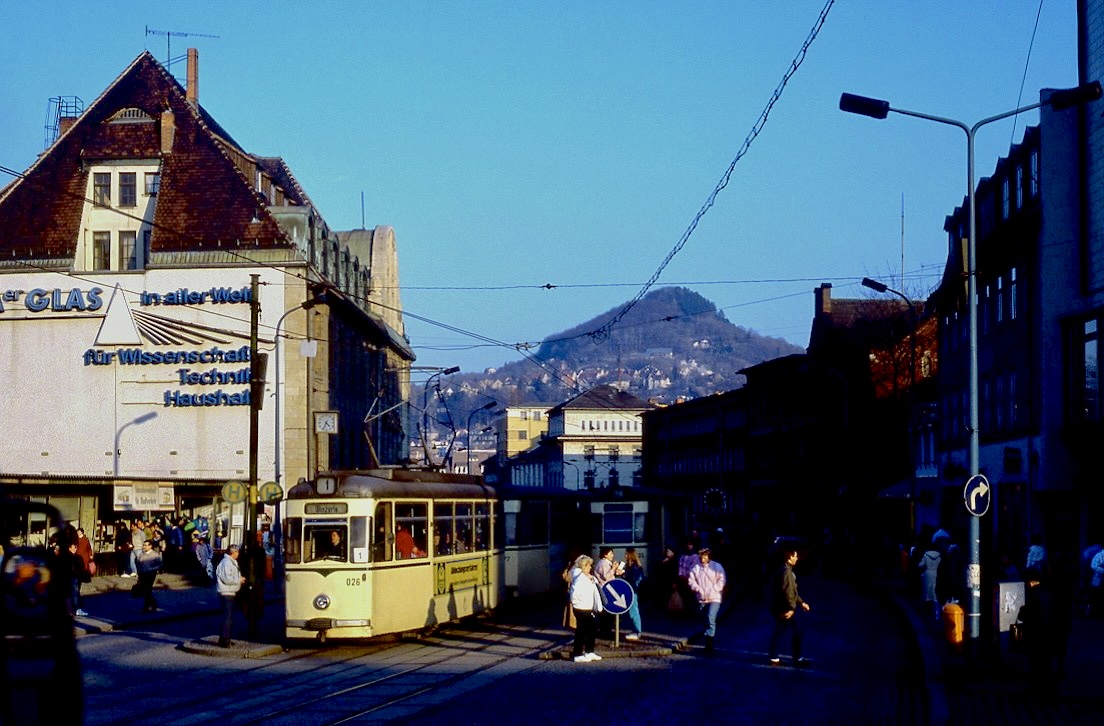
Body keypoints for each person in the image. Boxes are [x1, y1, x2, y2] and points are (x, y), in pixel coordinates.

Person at [768, 548, 811, 666]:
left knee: (780, 631)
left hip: (781, 607)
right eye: (795, 556)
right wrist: (792, 608)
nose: (797, 558)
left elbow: (792, 591)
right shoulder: (787, 572)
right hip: (785, 608)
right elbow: (788, 592)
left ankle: (774, 657)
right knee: (796, 631)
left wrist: (801, 602)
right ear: (789, 558)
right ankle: (796, 658)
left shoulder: (785, 570)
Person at [687, 547, 726, 652]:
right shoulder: (696, 568)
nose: (703, 559)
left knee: (710, 617)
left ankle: (709, 642)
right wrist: (698, 589)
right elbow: (691, 580)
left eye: (705, 557)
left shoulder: (717, 567)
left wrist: (714, 589)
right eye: (701, 557)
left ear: (709, 557)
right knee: (704, 619)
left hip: (714, 597)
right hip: (702, 598)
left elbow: (722, 580)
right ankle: (707, 635)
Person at [569, 555, 603, 663]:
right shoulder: (580, 578)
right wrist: (579, 603)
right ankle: (577, 654)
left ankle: (589, 651)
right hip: (581, 608)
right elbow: (573, 594)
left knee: (591, 630)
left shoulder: (587, 577)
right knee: (581, 631)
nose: (590, 567)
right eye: (588, 565)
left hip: (588, 608)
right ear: (584, 566)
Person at [216, 544, 246, 647]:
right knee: (227, 618)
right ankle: (225, 640)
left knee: (228, 617)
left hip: (230, 592)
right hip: (226, 593)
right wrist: (239, 580)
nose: (238, 554)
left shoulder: (231, 562)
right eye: (237, 552)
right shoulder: (226, 563)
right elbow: (227, 578)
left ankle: (225, 638)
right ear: (232, 553)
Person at [620, 548, 645, 640]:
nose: (625, 556)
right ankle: (635, 630)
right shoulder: (635, 567)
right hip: (633, 590)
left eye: (626, 554)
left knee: (633, 611)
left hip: (632, 590)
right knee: (633, 611)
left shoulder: (633, 568)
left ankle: (637, 631)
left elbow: (633, 579)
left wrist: (623, 575)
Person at [134, 539, 162, 613]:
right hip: (142, 574)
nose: (145, 547)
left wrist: (153, 568)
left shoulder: (155, 555)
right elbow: (138, 562)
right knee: (146, 590)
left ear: (150, 546)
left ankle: (146, 608)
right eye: (144, 545)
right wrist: (138, 573)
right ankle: (153, 604)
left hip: (151, 574)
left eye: (146, 545)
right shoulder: (141, 554)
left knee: (147, 589)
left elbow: (160, 564)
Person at [917, 544, 942, 620]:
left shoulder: (926, 555)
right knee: (935, 592)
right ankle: (936, 612)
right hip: (936, 573)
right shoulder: (939, 556)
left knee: (927, 592)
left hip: (927, 574)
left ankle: (926, 610)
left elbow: (921, 565)